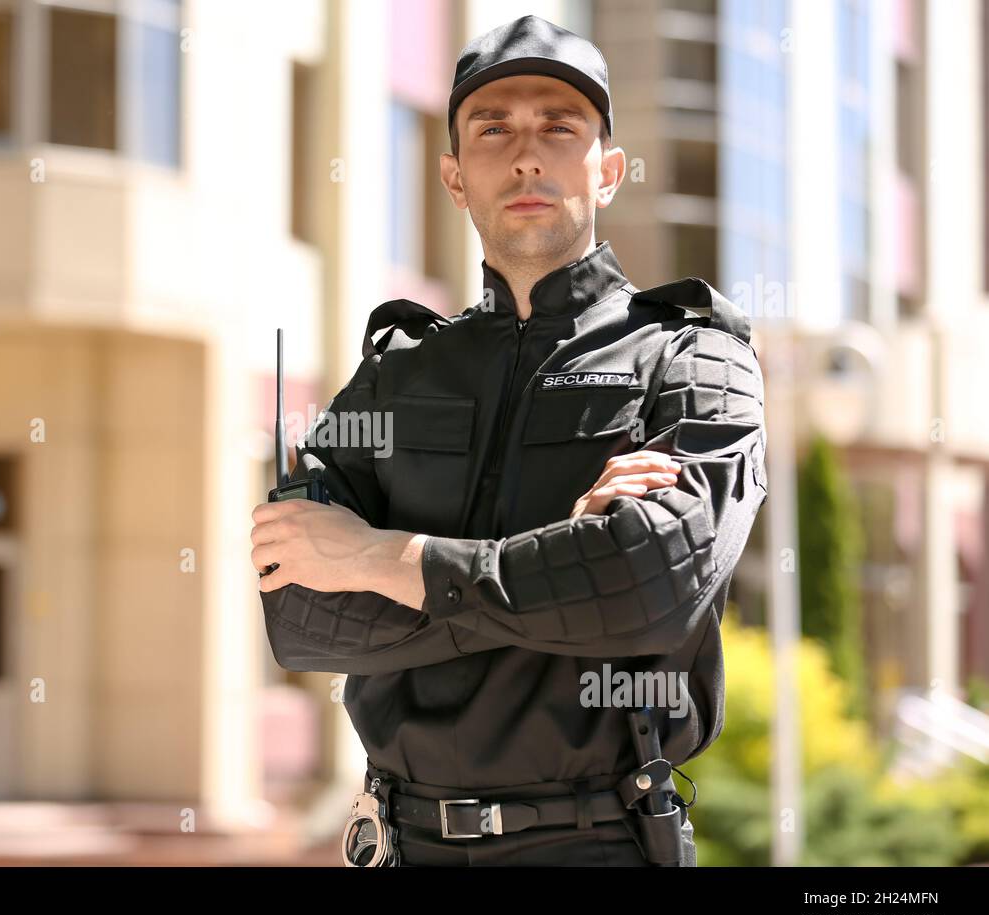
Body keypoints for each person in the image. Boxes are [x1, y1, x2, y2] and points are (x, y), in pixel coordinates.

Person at [251, 14, 768, 866]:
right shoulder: (395, 373)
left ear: (606, 171)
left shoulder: (692, 355)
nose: (526, 154)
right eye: (493, 129)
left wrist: (375, 557)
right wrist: (571, 566)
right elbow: (299, 613)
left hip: (601, 842)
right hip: (403, 842)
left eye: (558, 128)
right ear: (455, 178)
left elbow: (651, 586)